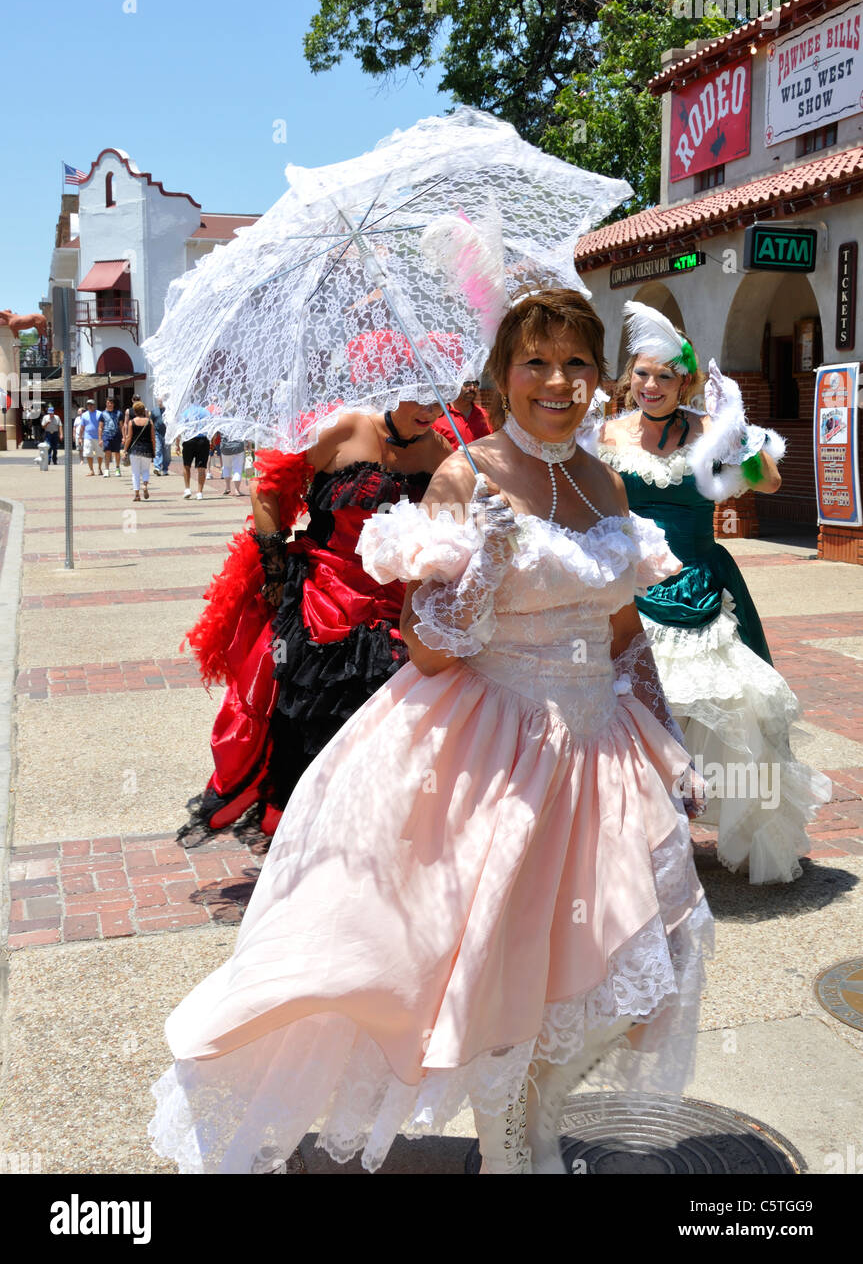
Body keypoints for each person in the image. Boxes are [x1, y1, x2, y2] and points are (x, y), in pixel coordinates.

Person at [149, 291, 712, 1175]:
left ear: (599, 380)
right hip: (496, 750)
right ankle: (507, 1155)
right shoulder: (466, 474)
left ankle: (537, 1123)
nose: (555, 381)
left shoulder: (603, 479)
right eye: (534, 362)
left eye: (573, 362)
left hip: (601, 746)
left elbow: (620, 628)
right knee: (496, 971)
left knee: (628, 963)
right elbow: (429, 647)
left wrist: (667, 739)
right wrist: (479, 566)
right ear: (500, 378)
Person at [592, 301, 830, 884]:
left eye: (665, 376)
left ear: (685, 381)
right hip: (629, 587)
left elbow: (769, 482)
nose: (652, 385)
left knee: (729, 707)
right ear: (631, 379)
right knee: (633, 709)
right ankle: (639, 835)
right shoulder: (606, 434)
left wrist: (739, 432)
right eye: (643, 374)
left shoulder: (708, 428)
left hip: (702, 584)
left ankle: (733, 824)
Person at [179, 385, 450, 848]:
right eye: (419, 397)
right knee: (310, 716)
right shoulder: (344, 427)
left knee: (389, 725)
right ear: (395, 389)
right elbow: (268, 489)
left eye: (437, 399)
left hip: (397, 607)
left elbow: (458, 521)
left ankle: (368, 835)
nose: (430, 409)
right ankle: (302, 830)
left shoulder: (442, 450)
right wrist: (274, 565)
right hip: (325, 597)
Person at [433, 378, 493, 448]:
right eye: (467, 383)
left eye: (476, 384)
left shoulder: (486, 417)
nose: (472, 388)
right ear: (455, 385)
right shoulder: (437, 417)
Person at [123, 399, 155, 502]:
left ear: (135, 411)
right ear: (143, 411)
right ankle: (145, 485)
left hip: (135, 450)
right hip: (147, 450)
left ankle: (137, 494)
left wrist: (125, 450)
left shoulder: (132, 422)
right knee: (145, 470)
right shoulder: (149, 422)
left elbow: (128, 437)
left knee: (135, 473)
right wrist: (154, 451)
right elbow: (153, 438)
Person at [80, 397, 105, 477]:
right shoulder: (84, 415)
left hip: (98, 437)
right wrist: (80, 437)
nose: (90, 406)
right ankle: (91, 470)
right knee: (88, 453)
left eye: (91, 405)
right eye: (88, 405)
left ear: (94, 405)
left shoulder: (99, 413)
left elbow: (103, 425)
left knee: (100, 453)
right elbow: (82, 427)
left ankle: (99, 468)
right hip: (88, 436)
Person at [181, 432, 210, 499]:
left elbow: (181, 427)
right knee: (202, 468)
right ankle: (199, 492)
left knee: (186, 466)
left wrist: (177, 443)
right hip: (203, 440)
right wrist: (212, 440)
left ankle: (187, 489)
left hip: (189, 438)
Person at [101, 397, 124, 477]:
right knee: (107, 452)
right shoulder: (103, 414)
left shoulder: (119, 413)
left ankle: (117, 468)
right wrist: (100, 438)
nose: (109, 404)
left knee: (117, 452)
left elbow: (122, 426)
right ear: (106, 404)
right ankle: (107, 470)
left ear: (113, 404)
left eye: (111, 403)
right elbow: (100, 427)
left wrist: (124, 436)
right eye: (108, 403)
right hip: (106, 434)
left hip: (116, 434)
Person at [152, 400, 171, 476]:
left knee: (166, 453)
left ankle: (165, 469)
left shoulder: (168, 411)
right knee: (158, 450)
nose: (160, 403)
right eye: (159, 401)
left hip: (167, 434)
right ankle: (157, 467)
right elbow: (151, 421)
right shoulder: (154, 411)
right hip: (157, 433)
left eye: (161, 401)